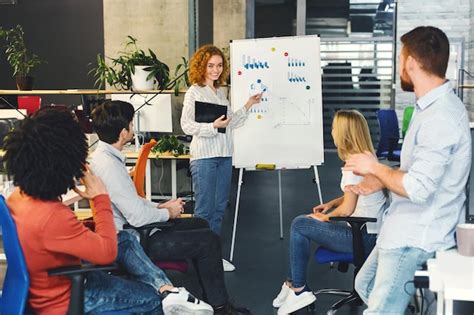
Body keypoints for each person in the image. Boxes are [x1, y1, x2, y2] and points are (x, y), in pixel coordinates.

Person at [4, 107, 212, 315]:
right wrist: (99, 197)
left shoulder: (19, 198)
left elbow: (51, 238)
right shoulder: (52, 215)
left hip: (56, 280)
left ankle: (169, 291)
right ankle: (166, 297)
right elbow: (106, 253)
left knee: (125, 239)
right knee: (155, 301)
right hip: (69, 296)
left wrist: (85, 226)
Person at [343, 26, 471, 314]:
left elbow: (419, 188)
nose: (400, 66)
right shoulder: (428, 108)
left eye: (401, 58)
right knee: (365, 285)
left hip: (414, 237)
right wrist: (381, 180)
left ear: (411, 61)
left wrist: (374, 166)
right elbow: (415, 170)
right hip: (399, 229)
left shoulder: (442, 117)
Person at [89, 100, 252, 315]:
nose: (133, 126)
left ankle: (205, 299)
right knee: (208, 240)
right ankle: (220, 307)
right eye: (131, 123)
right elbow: (136, 217)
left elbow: (131, 202)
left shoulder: (107, 157)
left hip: (138, 228)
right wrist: (168, 212)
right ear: (122, 133)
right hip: (135, 239)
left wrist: (160, 205)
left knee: (200, 223)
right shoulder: (109, 166)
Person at [272, 110, 387, 314]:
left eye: (334, 128)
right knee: (303, 225)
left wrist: (325, 217)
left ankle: (297, 289)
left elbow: (349, 208)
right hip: (369, 232)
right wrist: (330, 204)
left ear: (344, 133)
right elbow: (356, 194)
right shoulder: (366, 157)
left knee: (300, 224)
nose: (332, 131)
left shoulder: (354, 165)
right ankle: (292, 284)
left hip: (361, 237)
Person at [180, 45, 262, 271]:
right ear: (201, 67)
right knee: (204, 210)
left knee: (218, 209)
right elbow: (186, 125)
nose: (216, 70)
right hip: (205, 157)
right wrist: (212, 126)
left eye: (219, 65)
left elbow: (231, 122)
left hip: (224, 155)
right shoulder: (194, 92)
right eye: (210, 66)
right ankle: (198, 258)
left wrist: (248, 104)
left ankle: (212, 256)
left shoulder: (220, 92)